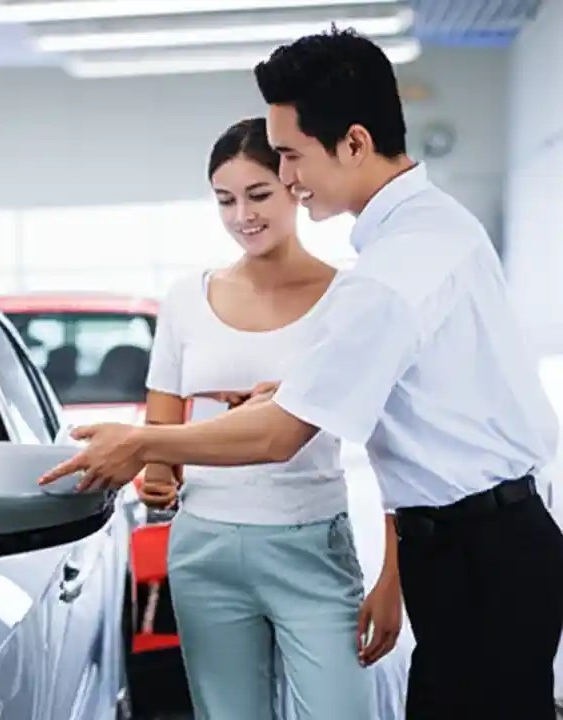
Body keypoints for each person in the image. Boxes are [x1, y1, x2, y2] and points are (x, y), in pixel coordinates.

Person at [41, 28, 563, 719]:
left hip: (475, 553)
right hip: (488, 542)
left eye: (289, 156)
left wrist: (142, 443)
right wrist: (281, 395)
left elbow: (283, 435)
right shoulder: (437, 227)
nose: (287, 179)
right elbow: (380, 382)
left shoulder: (384, 276)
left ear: (352, 141)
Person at [137, 116, 398, 720]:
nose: (241, 216)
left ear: (294, 188)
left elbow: (394, 446)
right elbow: (160, 450)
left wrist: (392, 577)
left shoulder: (349, 297)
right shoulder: (184, 299)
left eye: (258, 195)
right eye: (225, 200)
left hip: (312, 543)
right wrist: (158, 476)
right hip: (206, 549)